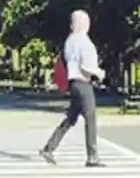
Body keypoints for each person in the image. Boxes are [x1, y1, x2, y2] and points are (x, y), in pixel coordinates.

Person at [40, 9, 105, 168]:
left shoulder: (69, 42)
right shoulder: (85, 42)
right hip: (83, 82)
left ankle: (49, 148)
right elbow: (86, 67)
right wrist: (99, 73)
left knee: (71, 118)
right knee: (91, 118)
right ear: (84, 24)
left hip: (73, 83)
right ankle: (92, 157)